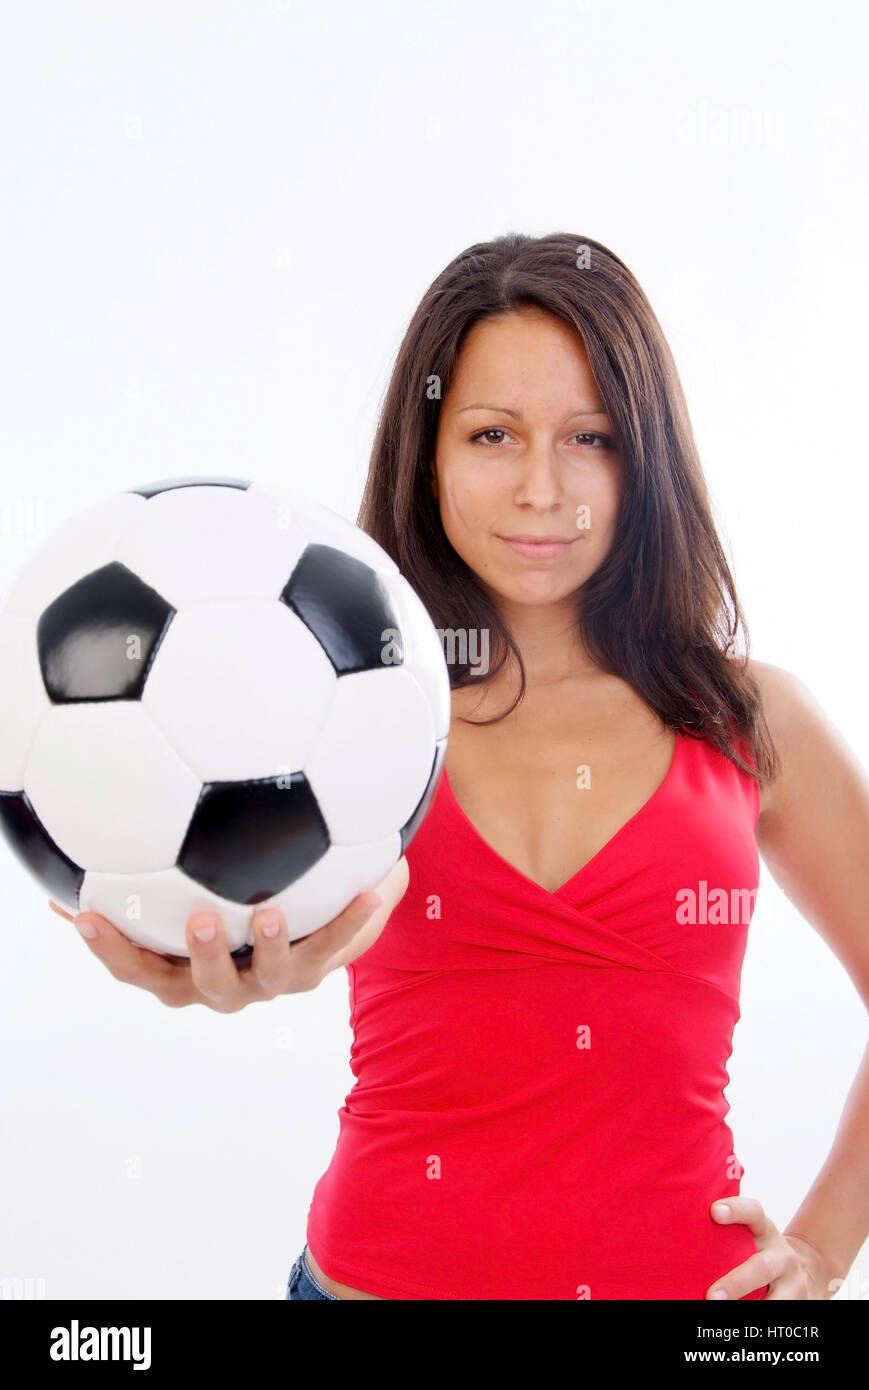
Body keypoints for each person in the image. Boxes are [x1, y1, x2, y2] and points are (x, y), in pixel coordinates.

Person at [54, 232, 869, 1301]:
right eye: (492, 433)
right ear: (426, 453)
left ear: (648, 458)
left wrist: (821, 1246)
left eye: (592, 437)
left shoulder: (749, 718)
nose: (542, 488)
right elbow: (210, 887)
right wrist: (217, 957)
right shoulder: (332, 722)